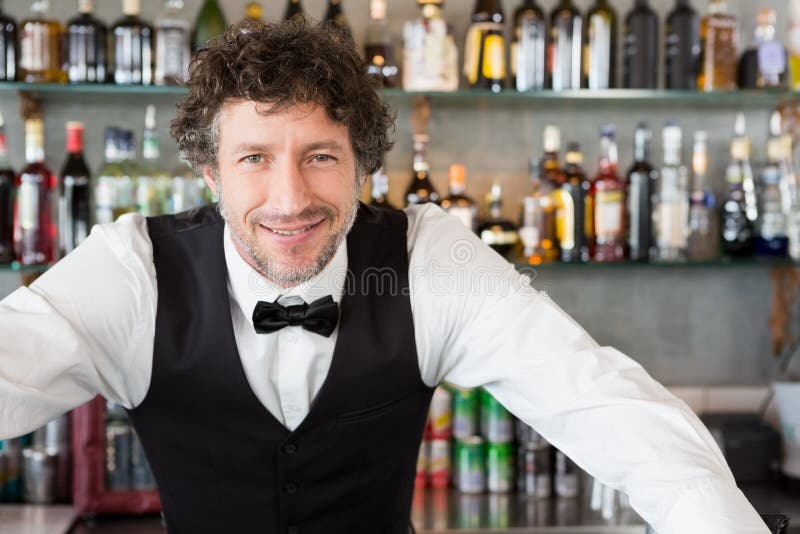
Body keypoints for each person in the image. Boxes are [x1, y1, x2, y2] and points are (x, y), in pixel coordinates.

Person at [0, 20, 769, 534]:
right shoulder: (136, 270)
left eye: (321, 156)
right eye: (254, 159)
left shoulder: (429, 259)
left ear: (365, 165)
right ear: (209, 172)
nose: (290, 198)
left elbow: (605, 403)